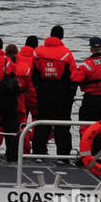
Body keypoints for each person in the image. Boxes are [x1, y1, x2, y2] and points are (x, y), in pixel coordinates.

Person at [30, 26, 77, 158]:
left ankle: (38, 153)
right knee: (62, 125)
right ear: (62, 36)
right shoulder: (67, 53)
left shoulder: (38, 52)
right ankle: (63, 156)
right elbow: (73, 76)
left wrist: (39, 87)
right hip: (61, 92)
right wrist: (69, 94)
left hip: (44, 91)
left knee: (41, 123)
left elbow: (33, 73)